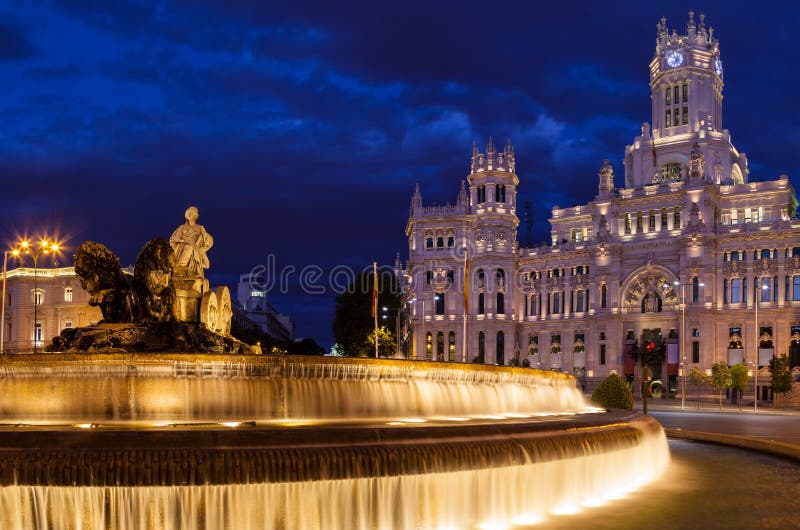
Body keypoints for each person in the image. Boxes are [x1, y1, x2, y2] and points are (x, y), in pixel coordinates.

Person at [169, 206, 214, 284]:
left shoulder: (200, 228)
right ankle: (174, 268)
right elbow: (173, 238)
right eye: (188, 214)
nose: (190, 215)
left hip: (193, 248)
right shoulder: (182, 227)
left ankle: (179, 268)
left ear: (195, 216)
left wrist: (204, 235)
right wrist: (182, 240)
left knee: (188, 248)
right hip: (180, 247)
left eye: (191, 214)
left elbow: (208, 241)